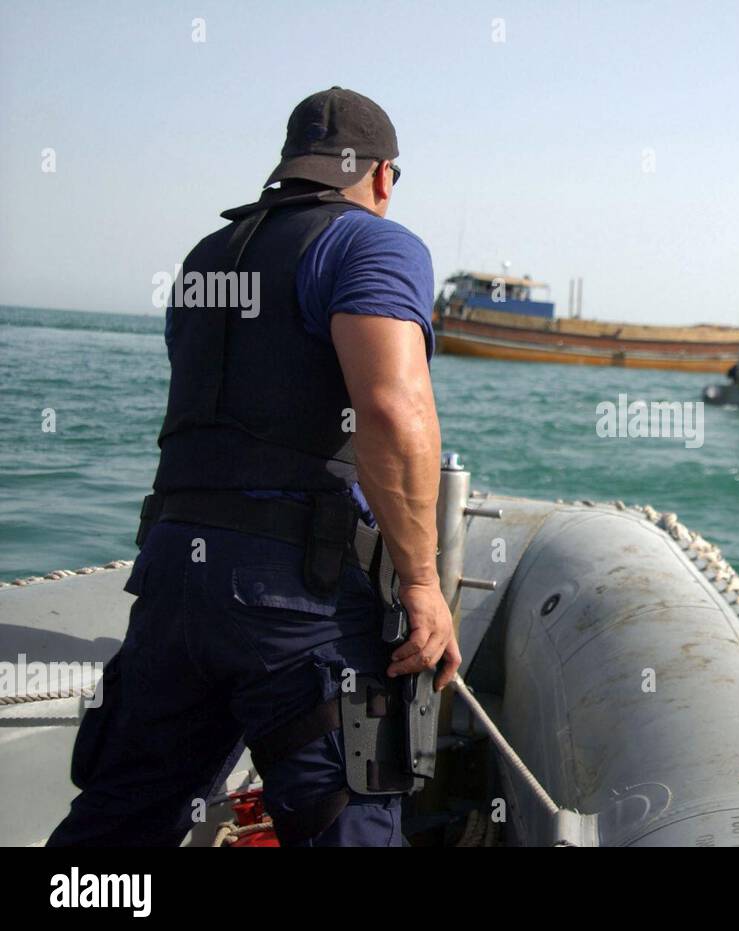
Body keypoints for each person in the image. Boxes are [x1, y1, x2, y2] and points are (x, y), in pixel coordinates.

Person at [45, 87, 459, 847]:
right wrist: (424, 584)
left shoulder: (207, 258)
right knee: (348, 826)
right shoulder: (374, 243)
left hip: (173, 576)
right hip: (293, 595)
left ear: (290, 167)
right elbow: (395, 414)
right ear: (383, 176)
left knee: (119, 820)